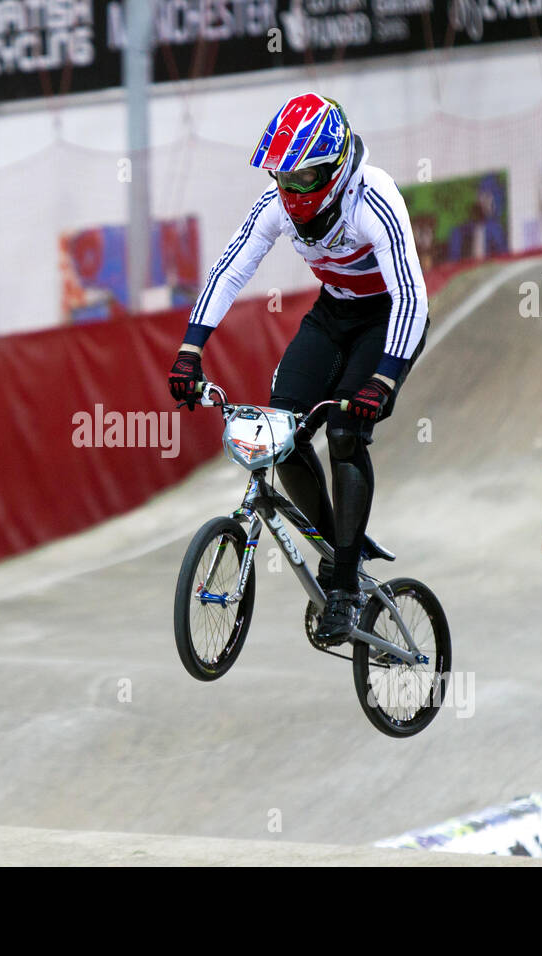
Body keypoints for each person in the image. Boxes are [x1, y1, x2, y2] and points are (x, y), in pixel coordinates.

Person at [167, 92, 428, 644]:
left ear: (335, 171)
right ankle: (342, 559)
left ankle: (342, 586)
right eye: (282, 177)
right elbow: (230, 269)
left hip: (388, 317)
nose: (291, 191)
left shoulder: (374, 197)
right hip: (334, 313)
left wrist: (382, 379)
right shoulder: (276, 205)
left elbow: (411, 295)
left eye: (304, 177)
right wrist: (191, 348)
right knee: (279, 434)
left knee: (344, 432)